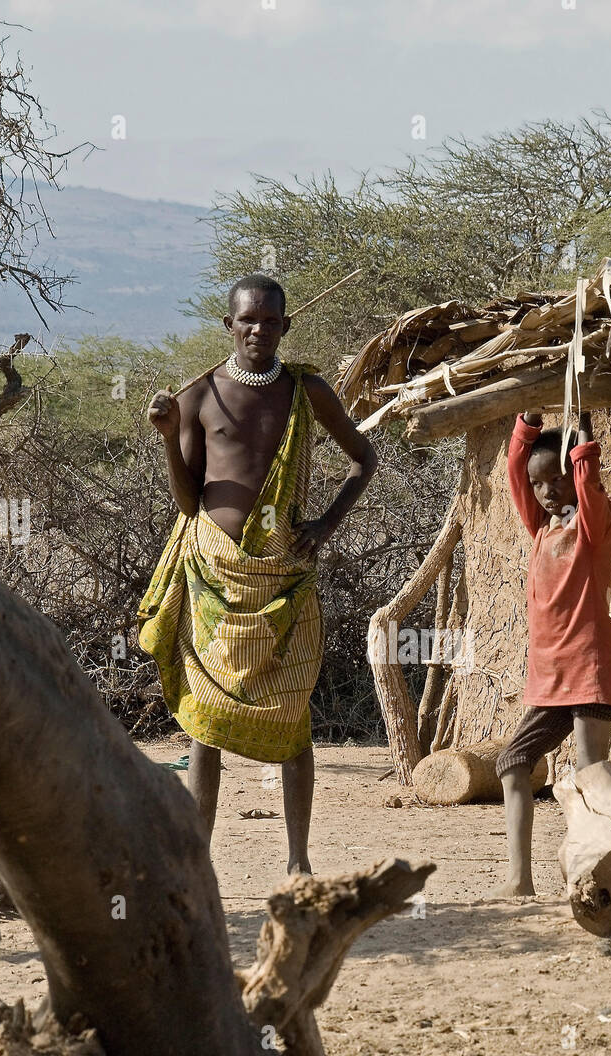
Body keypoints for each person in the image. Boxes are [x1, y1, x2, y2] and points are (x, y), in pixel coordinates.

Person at [139, 273, 377, 871]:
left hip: (283, 573)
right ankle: (199, 860)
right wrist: (170, 438)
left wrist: (324, 526)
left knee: (292, 716)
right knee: (206, 723)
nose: (258, 331)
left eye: (270, 321)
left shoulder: (306, 391)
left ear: (286, 326)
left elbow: (364, 458)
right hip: (213, 567)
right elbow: (189, 501)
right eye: (247, 320)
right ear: (229, 326)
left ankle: (298, 860)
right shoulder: (199, 397)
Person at [494, 407, 611, 896]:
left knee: (590, 778)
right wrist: (525, 423)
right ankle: (518, 881)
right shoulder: (542, 530)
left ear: (576, 473)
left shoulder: (594, 528)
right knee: (513, 762)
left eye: (559, 478)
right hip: (550, 678)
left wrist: (586, 445)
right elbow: (516, 470)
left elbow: (589, 492)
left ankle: (596, 877)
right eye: (540, 483)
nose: (549, 490)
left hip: (591, 666)